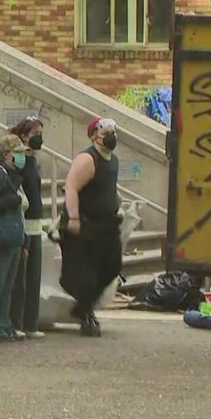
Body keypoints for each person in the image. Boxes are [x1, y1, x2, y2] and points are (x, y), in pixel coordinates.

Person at [60, 117, 123, 337]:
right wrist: (74, 218)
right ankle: (86, 314)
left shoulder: (112, 160)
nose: (111, 134)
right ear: (95, 135)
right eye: (106, 130)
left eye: (113, 130)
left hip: (107, 225)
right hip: (86, 224)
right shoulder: (88, 159)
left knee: (113, 266)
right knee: (86, 276)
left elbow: (109, 188)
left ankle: (83, 307)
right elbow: (71, 187)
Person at [0, 135, 29, 342]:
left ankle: (3, 322)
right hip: (1, 236)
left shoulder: (13, 176)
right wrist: (15, 199)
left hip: (14, 236)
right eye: (16, 153)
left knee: (8, 284)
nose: (20, 157)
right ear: (6, 155)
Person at [10, 116, 47, 340]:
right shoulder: (20, 161)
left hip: (36, 222)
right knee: (20, 278)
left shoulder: (34, 161)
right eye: (35, 135)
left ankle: (31, 322)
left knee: (34, 276)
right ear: (23, 136)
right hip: (24, 221)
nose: (39, 139)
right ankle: (17, 321)